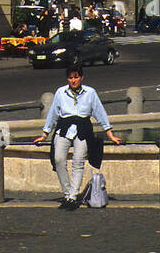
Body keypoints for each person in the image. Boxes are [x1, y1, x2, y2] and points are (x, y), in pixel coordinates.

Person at [33, 65, 123, 209]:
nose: (73, 80)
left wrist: (110, 134)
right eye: (70, 77)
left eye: (76, 77)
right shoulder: (61, 92)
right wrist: (45, 134)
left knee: (78, 160)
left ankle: (73, 196)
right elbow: (53, 114)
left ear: (81, 78)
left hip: (83, 128)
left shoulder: (90, 92)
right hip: (64, 127)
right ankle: (67, 192)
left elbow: (100, 112)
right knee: (58, 159)